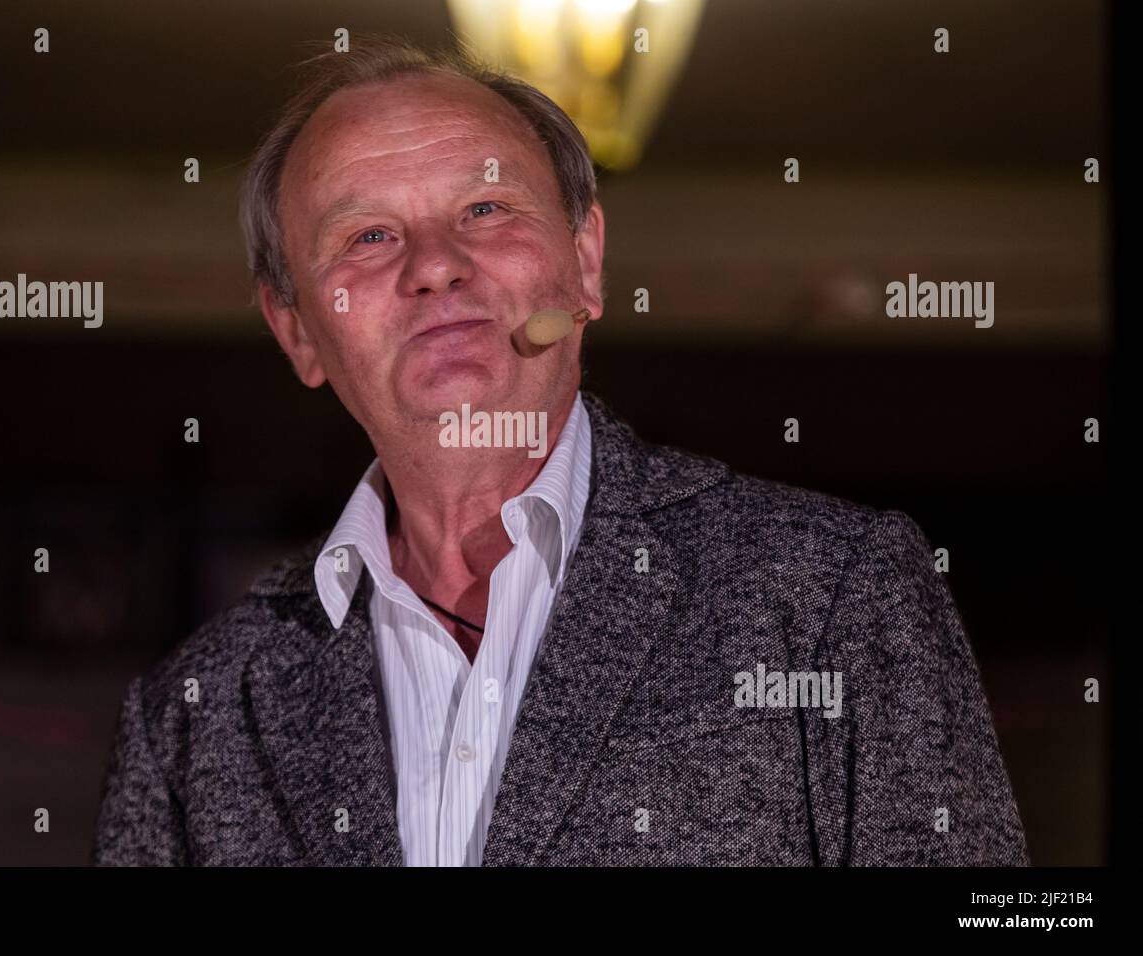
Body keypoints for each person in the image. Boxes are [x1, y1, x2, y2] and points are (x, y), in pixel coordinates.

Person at [93, 36, 1028, 866]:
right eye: (368, 235)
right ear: (296, 330)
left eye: (488, 209)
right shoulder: (194, 714)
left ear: (584, 265)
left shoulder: (834, 593)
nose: (434, 264)